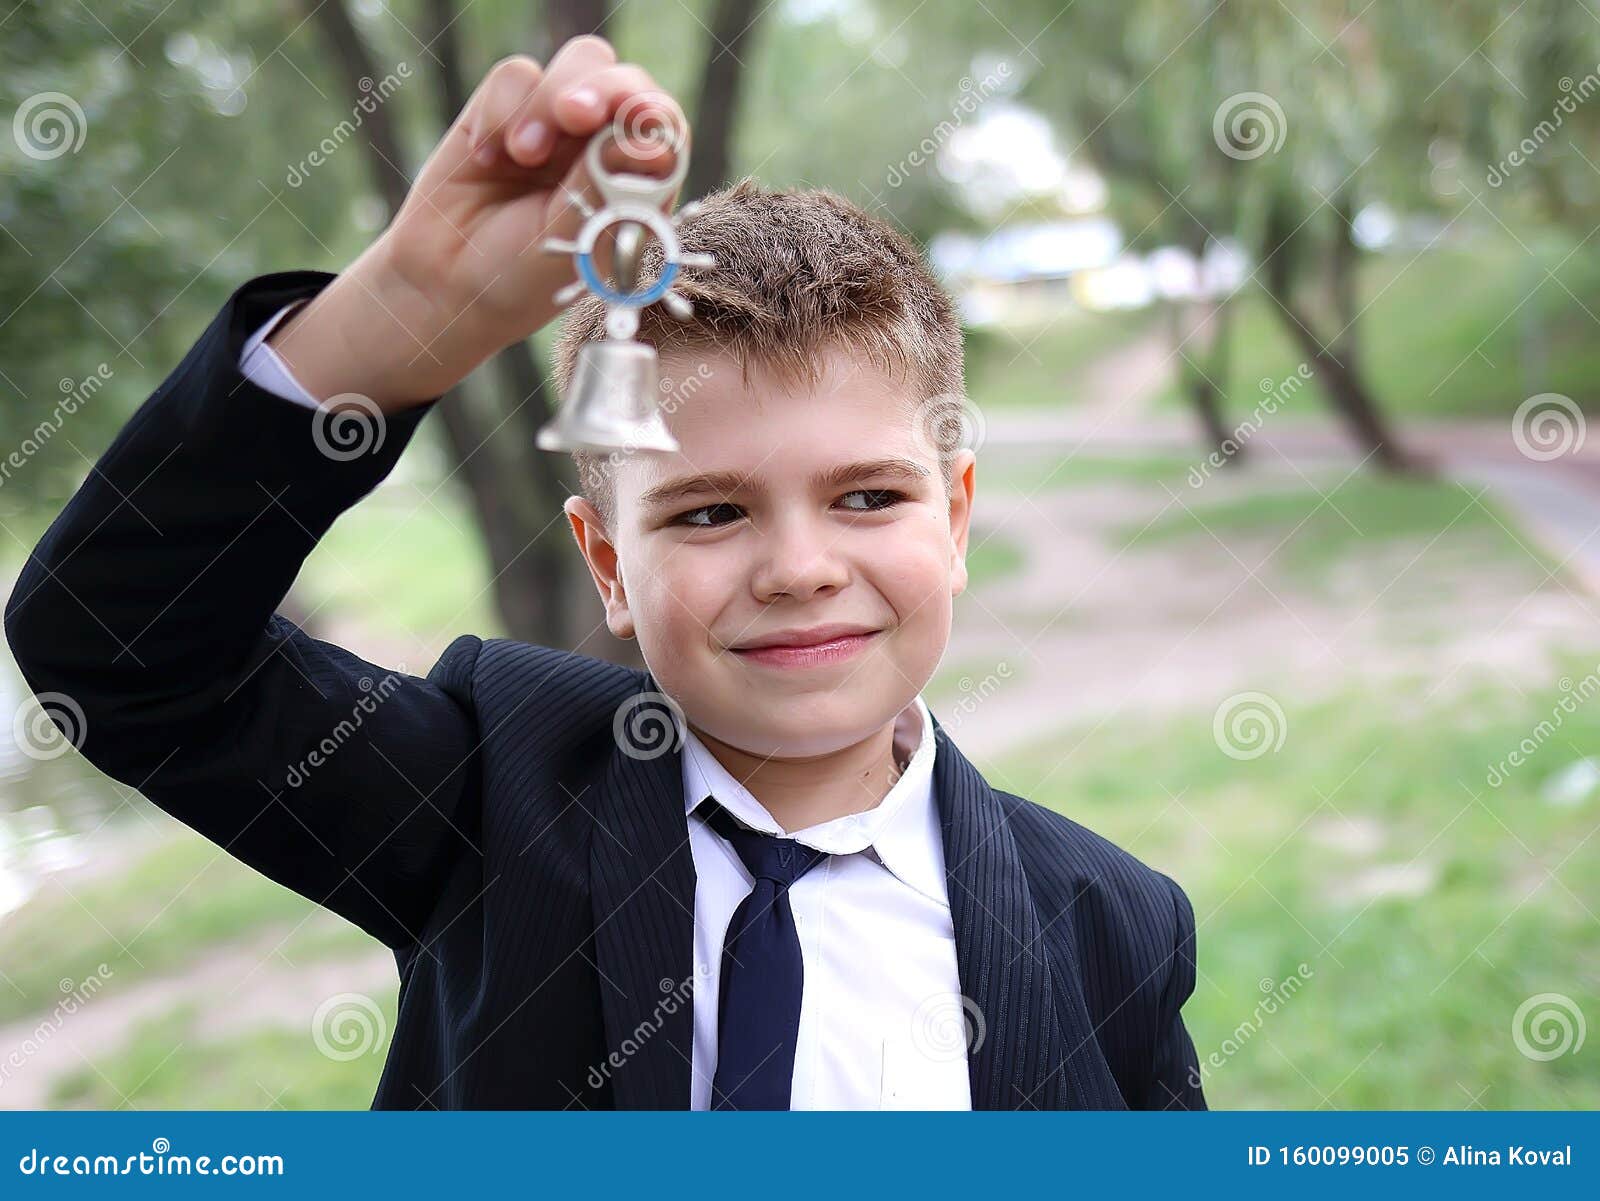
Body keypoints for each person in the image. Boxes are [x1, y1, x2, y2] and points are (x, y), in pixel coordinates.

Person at [4, 35, 1204, 1111]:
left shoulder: (1111, 923)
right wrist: (403, 316)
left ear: (952, 517)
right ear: (609, 565)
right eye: (711, 511)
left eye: (866, 496)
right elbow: (112, 646)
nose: (797, 568)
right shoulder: (490, 796)